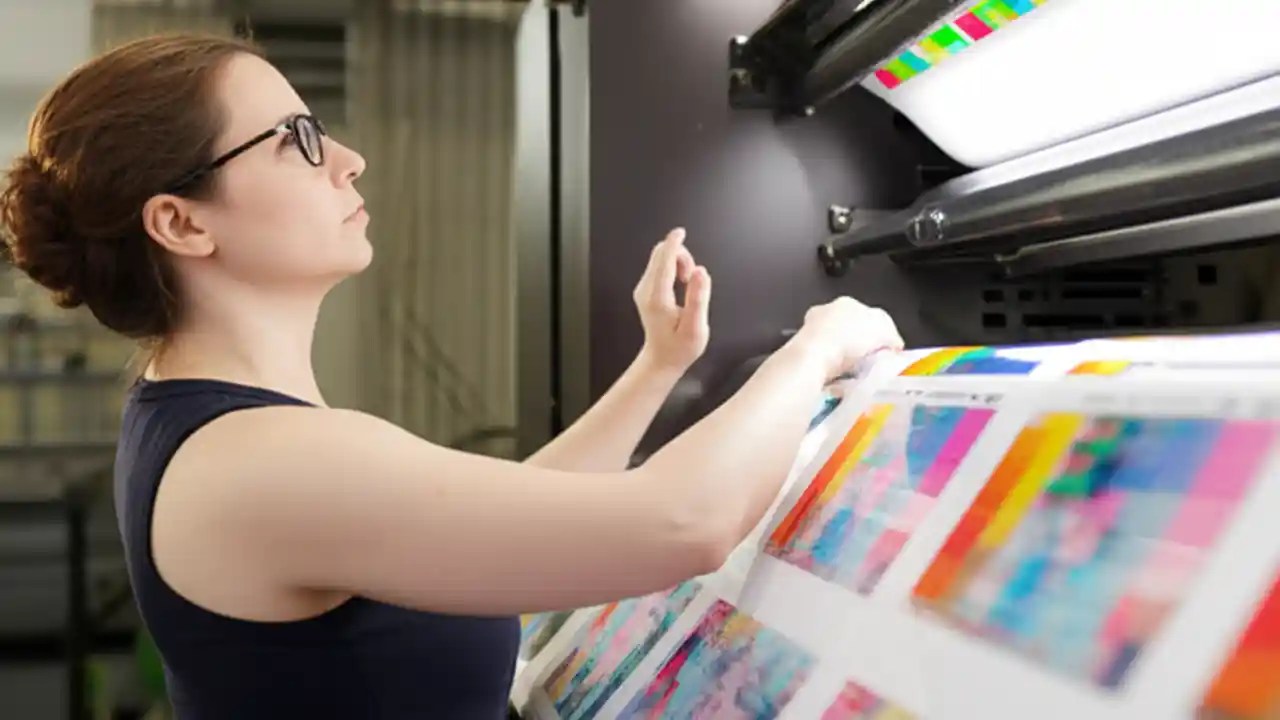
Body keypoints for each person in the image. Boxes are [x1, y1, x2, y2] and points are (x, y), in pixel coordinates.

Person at [0, 34, 904, 719]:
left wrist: (656, 368)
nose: (349, 160)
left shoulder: (224, 428)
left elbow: (505, 518)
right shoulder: (257, 461)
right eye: (298, 140)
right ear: (183, 225)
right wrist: (818, 348)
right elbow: (681, 523)